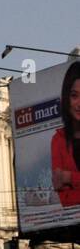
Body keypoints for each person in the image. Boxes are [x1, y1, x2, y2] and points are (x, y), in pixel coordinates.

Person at [49, 61, 80, 206]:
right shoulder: (58, 140)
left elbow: (66, 184)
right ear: (66, 98)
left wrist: (69, 178)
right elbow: (65, 198)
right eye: (74, 96)